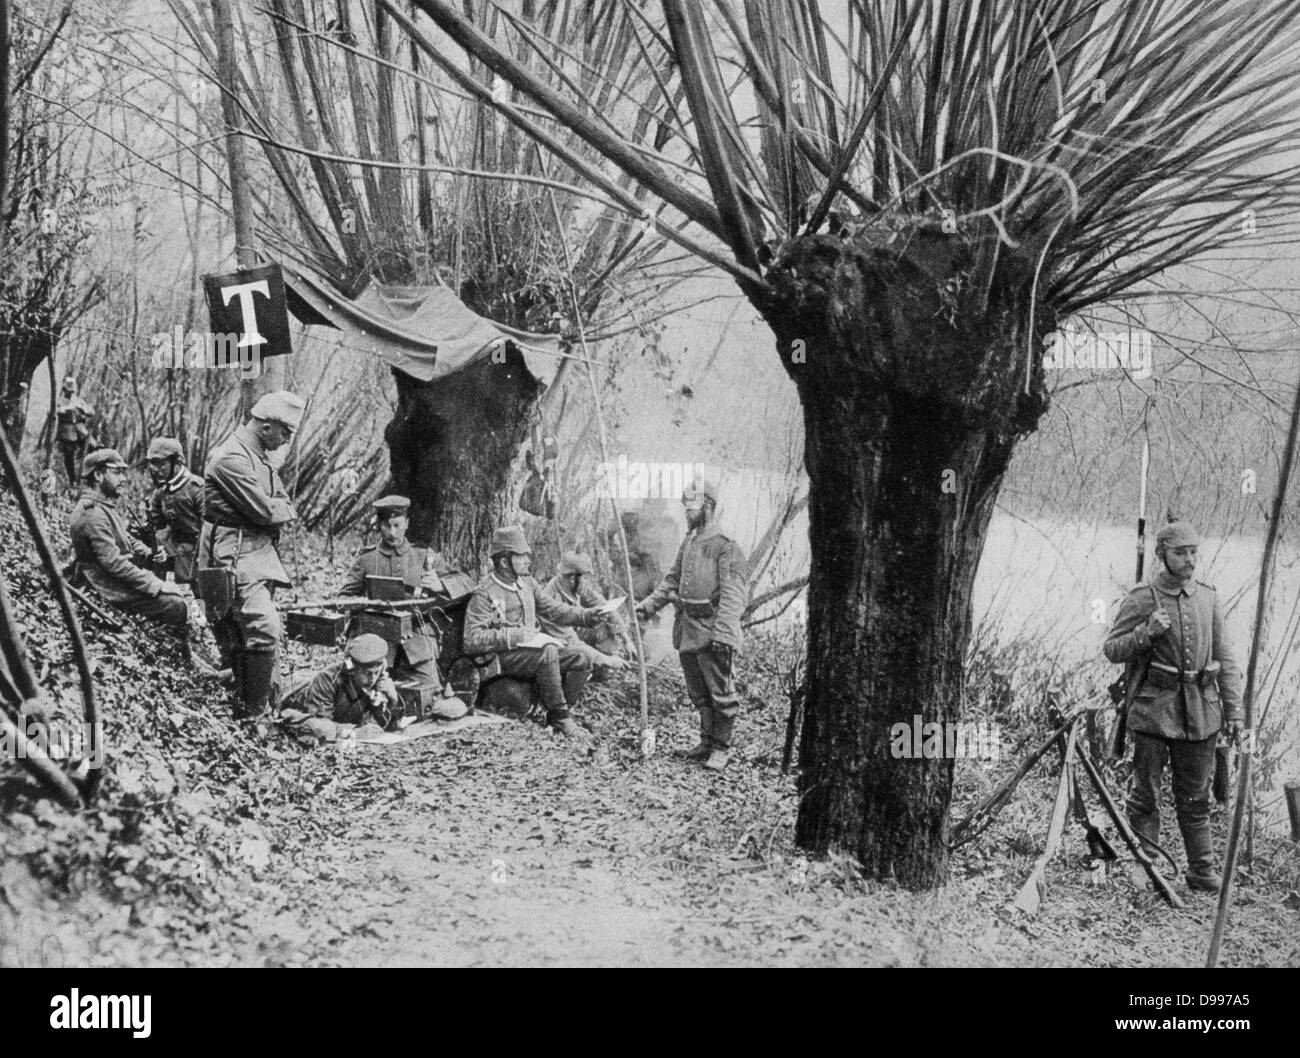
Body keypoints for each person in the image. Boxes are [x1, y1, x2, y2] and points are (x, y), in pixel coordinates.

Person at [1104, 519, 1244, 893]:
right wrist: (1145, 633)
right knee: (1145, 796)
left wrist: (1235, 712)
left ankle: (1202, 871)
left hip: (1201, 711)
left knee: (1195, 798)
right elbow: (1112, 649)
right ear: (1161, 554)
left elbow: (1226, 659)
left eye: (1193, 552)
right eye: (1180, 553)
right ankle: (1145, 868)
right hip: (1152, 711)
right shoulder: (1142, 598)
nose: (1189, 560)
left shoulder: (1209, 598)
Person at [198, 390, 304, 720]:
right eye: (285, 432)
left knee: (247, 633)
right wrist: (278, 509)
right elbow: (265, 511)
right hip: (233, 553)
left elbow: (283, 503)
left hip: (256, 551)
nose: (287, 440)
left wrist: (279, 508)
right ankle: (253, 714)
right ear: (266, 426)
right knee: (262, 627)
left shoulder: (258, 456)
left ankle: (250, 705)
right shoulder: (231, 458)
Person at [636, 479, 747, 770]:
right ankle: (706, 742)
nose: (686, 512)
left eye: (692, 507)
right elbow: (671, 580)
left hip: (713, 631)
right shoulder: (689, 541)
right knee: (699, 692)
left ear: (708, 506)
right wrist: (647, 606)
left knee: (721, 693)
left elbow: (733, 595)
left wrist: (723, 635)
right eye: (685, 506)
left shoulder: (726, 546)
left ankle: (721, 748)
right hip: (687, 629)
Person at [463, 525, 604, 738]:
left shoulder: (527, 583)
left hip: (531, 653)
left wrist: (586, 616)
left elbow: (553, 609)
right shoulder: (486, 593)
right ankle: (560, 718)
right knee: (548, 651)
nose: (528, 560)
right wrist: (515, 636)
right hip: (502, 657)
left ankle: (562, 709)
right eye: (522, 556)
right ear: (504, 562)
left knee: (582, 657)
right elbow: (471, 639)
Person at [69, 448, 188, 631]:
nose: (123, 478)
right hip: (103, 585)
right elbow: (113, 563)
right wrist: (157, 585)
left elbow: (126, 538)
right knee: (176, 605)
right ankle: (171, 644)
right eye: (116, 472)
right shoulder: (92, 513)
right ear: (98, 475)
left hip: (110, 578)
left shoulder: (103, 506)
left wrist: (149, 552)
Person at [338, 495, 443, 687]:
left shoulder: (423, 556)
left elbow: (463, 581)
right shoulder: (367, 559)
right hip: (375, 639)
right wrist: (362, 604)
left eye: (397, 525)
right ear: (380, 525)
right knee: (357, 686)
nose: (392, 532)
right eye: (387, 526)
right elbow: (343, 598)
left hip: (417, 640)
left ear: (407, 523)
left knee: (429, 691)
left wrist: (440, 585)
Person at [539, 552, 630, 675]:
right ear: (573, 578)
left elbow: (605, 606)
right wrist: (607, 660)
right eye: (585, 577)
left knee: (603, 622)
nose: (587, 582)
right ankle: (595, 669)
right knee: (580, 655)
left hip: (574, 634)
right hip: (558, 647)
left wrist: (626, 639)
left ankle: (601, 671)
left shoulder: (575, 586)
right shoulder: (550, 601)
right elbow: (571, 642)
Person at [146, 437, 204, 586]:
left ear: (177, 463)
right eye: (152, 463)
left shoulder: (196, 488)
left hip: (197, 554)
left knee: (195, 593)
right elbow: (157, 525)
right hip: (173, 551)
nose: (155, 469)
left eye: (160, 464)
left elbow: (209, 530)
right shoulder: (161, 492)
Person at [55, 376, 93, 487]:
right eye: (68, 390)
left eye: (72, 391)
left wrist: (83, 409)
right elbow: (56, 411)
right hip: (67, 432)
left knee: (93, 448)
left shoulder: (77, 400)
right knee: (69, 456)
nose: (70, 393)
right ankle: (73, 480)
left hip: (80, 431)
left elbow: (91, 412)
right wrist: (68, 408)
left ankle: (89, 476)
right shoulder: (59, 400)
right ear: (64, 390)